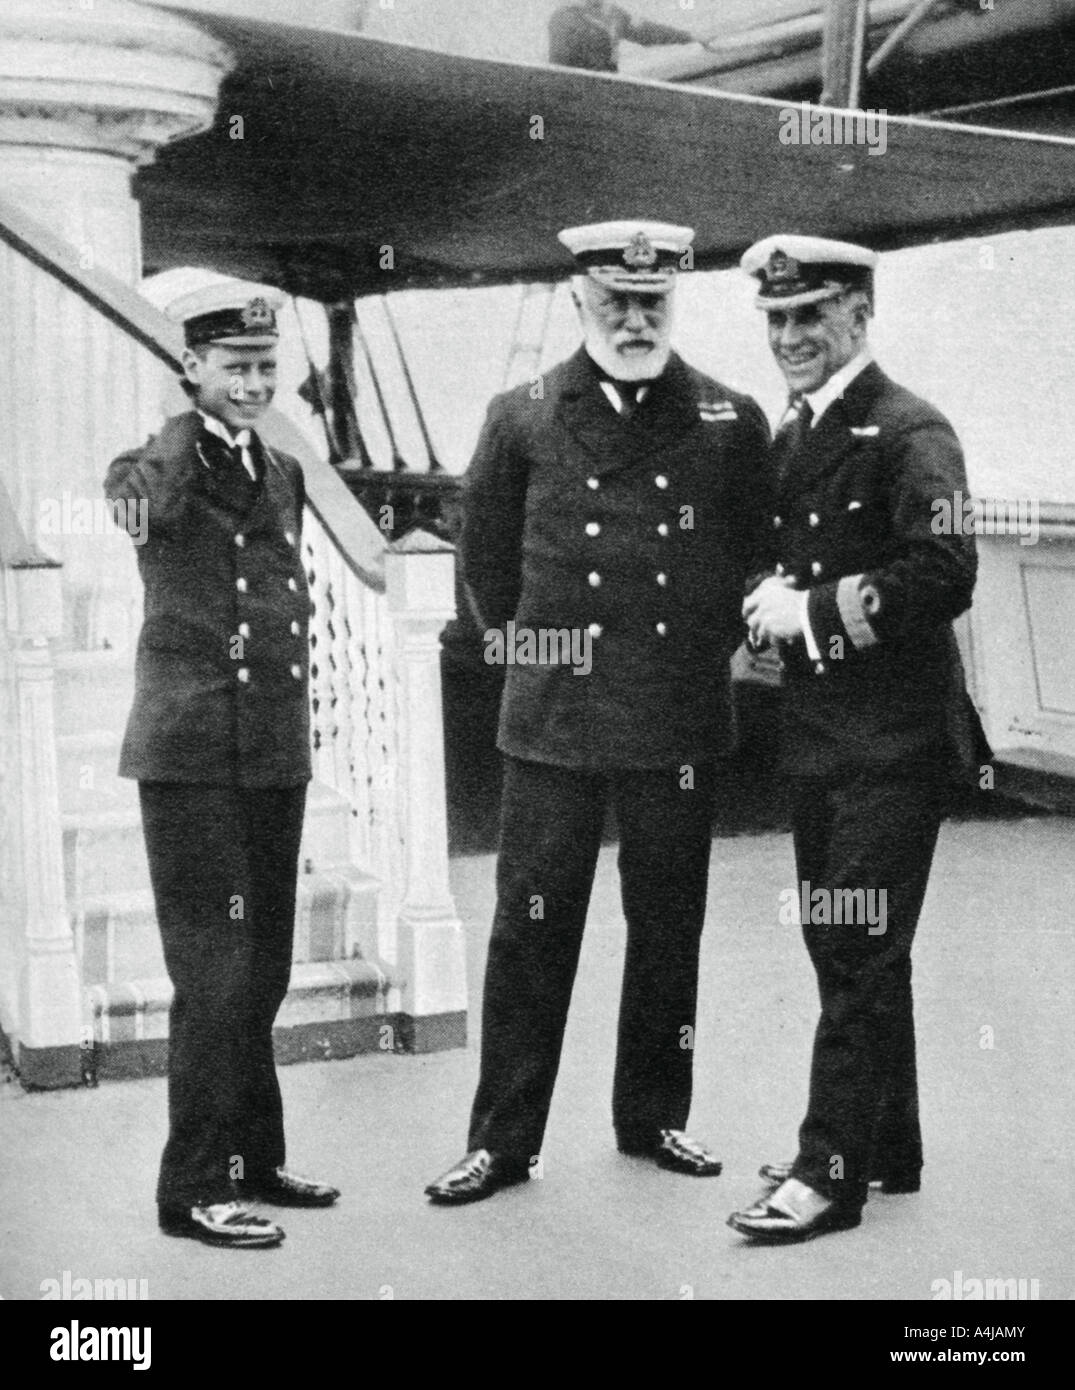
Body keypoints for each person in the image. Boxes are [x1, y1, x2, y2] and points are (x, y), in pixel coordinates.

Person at [425, 220, 773, 1205]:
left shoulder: (727, 417)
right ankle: (502, 1139)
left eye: (651, 303)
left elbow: (756, 551)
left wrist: (725, 635)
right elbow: (482, 575)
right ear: (580, 302)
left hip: (675, 711)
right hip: (555, 722)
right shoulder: (522, 415)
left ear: (673, 304)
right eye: (615, 302)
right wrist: (545, 666)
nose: (634, 319)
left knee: (669, 925)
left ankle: (654, 1115)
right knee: (530, 929)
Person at [728, 235, 991, 1243]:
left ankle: (826, 1171)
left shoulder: (911, 429)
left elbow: (947, 568)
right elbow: (774, 558)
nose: (792, 336)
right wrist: (763, 599)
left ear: (858, 316)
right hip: (820, 740)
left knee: (858, 942)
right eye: (778, 320)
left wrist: (820, 611)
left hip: (894, 742)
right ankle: (886, 1142)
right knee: (845, 940)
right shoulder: (795, 438)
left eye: (812, 316)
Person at [105, 270, 339, 1249]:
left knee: (267, 967)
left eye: (264, 365)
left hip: (270, 751)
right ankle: (193, 1186)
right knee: (213, 972)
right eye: (232, 365)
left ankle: (250, 1156)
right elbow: (141, 511)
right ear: (190, 365)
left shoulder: (279, 469)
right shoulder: (150, 469)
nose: (253, 382)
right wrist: (182, 419)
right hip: (191, 751)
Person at [548, 0, 696, 73]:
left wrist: (692, 37)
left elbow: (647, 32)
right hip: (578, 90)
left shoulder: (614, 14)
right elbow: (561, 63)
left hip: (609, 87)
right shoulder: (563, 17)